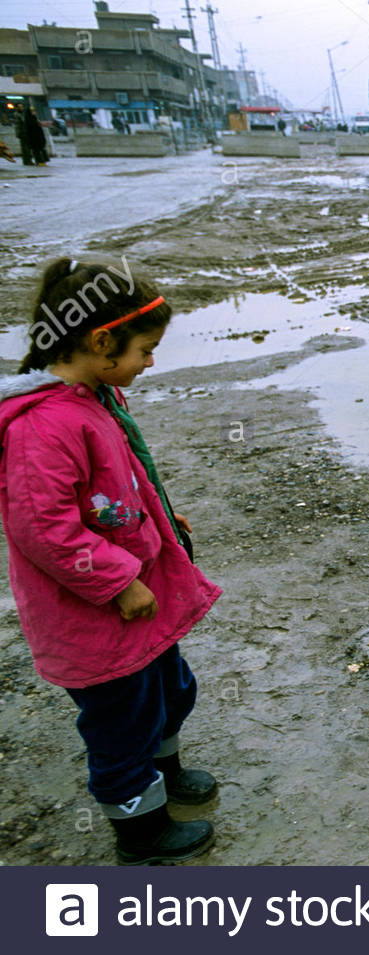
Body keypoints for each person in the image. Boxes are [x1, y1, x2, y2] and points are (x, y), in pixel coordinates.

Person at [0, 258, 222, 864]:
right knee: (120, 722)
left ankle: (164, 771)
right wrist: (119, 580)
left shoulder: (96, 395)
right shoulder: (43, 426)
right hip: (96, 614)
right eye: (145, 349)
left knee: (169, 690)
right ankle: (140, 831)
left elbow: (117, 482)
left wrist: (161, 518)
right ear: (101, 342)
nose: (150, 362)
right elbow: (44, 528)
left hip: (137, 602)